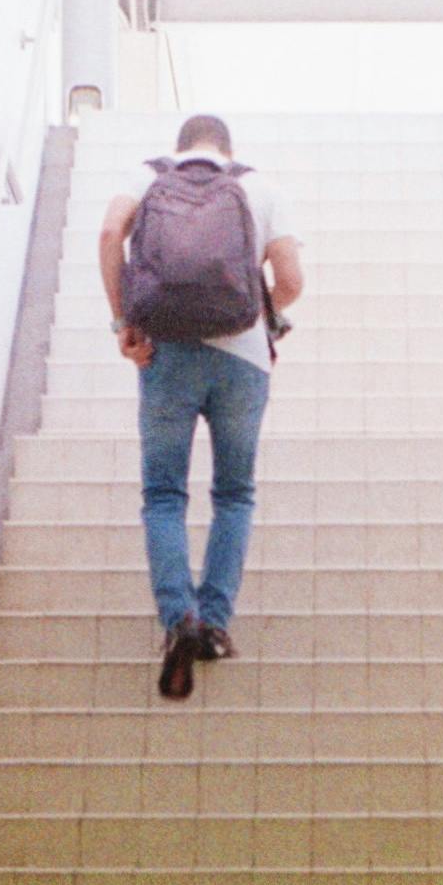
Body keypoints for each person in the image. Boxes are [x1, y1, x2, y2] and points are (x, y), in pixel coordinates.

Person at [97, 114, 305, 699]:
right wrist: (264, 311)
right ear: (228, 150)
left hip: (165, 355)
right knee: (233, 493)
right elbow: (290, 279)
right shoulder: (260, 187)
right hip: (243, 363)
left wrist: (124, 320)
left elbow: (112, 233)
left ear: (182, 149)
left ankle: (177, 618)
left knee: (164, 494)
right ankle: (213, 623)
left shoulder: (146, 177)